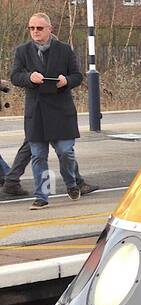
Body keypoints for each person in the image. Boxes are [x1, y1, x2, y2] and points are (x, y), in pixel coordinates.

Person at [9, 13, 85, 209]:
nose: (35, 31)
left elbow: (77, 76)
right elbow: (15, 76)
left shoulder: (64, 50)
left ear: (50, 29)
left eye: (39, 28)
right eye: (31, 28)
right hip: (37, 113)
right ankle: (42, 195)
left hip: (61, 110)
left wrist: (66, 80)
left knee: (65, 151)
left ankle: (71, 183)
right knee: (38, 156)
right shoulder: (22, 51)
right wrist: (28, 78)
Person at [2, 139, 97, 197]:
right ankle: (77, 182)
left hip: (37, 114)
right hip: (48, 114)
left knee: (29, 145)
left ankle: (12, 180)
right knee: (64, 148)